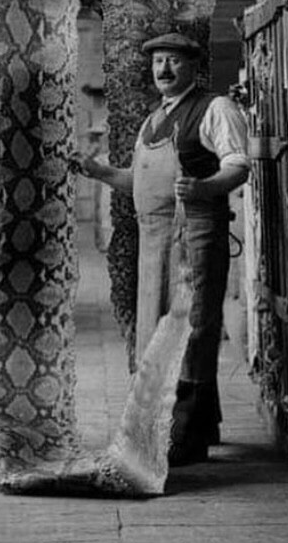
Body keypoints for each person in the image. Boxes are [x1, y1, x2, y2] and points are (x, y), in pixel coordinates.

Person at [77, 31, 250, 467]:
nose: (164, 70)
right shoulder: (154, 120)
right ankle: (198, 425)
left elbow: (238, 166)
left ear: (194, 67)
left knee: (193, 329)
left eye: (173, 61)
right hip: (154, 240)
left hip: (195, 232)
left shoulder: (215, 109)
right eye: (158, 63)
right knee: (160, 332)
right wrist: (99, 172)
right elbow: (139, 179)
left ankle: (187, 438)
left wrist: (205, 186)